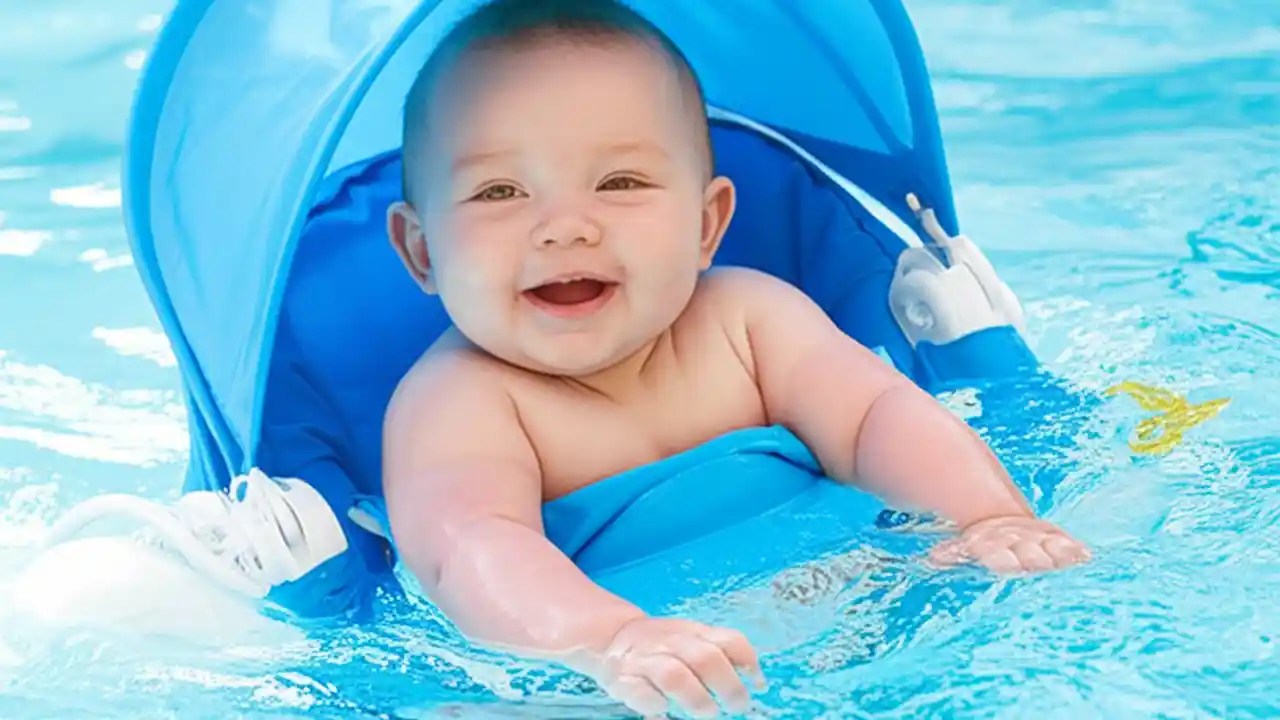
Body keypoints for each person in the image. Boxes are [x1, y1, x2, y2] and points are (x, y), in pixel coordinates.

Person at [381, 0, 1091, 716]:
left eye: (619, 183)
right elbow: (470, 550)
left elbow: (879, 415)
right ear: (421, 249)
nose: (565, 228)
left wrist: (984, 517)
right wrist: (610, 639)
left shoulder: (751, 321)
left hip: (871, 599)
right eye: (498, 191)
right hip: (628, 686)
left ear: (706, 223)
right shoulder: (458, 404)